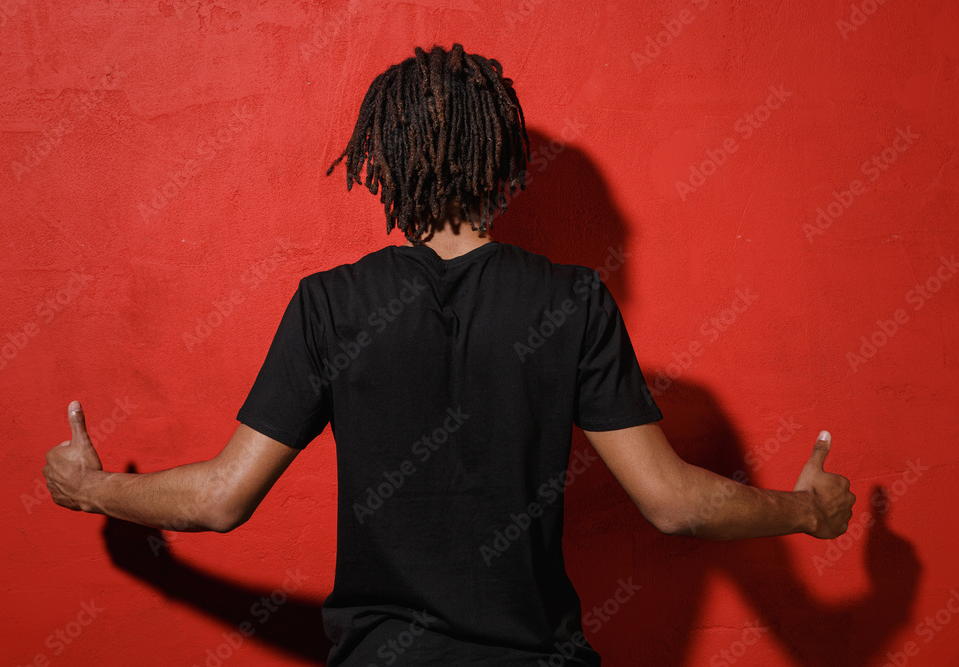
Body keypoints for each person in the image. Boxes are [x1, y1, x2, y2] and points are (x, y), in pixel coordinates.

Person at [44, 43, 856, 666]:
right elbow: (673, 501)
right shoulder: (571, 302)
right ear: (503, 162)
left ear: (384, 163)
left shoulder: (332, 303)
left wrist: (92, 489)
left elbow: (221, 498)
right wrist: (805, 511)